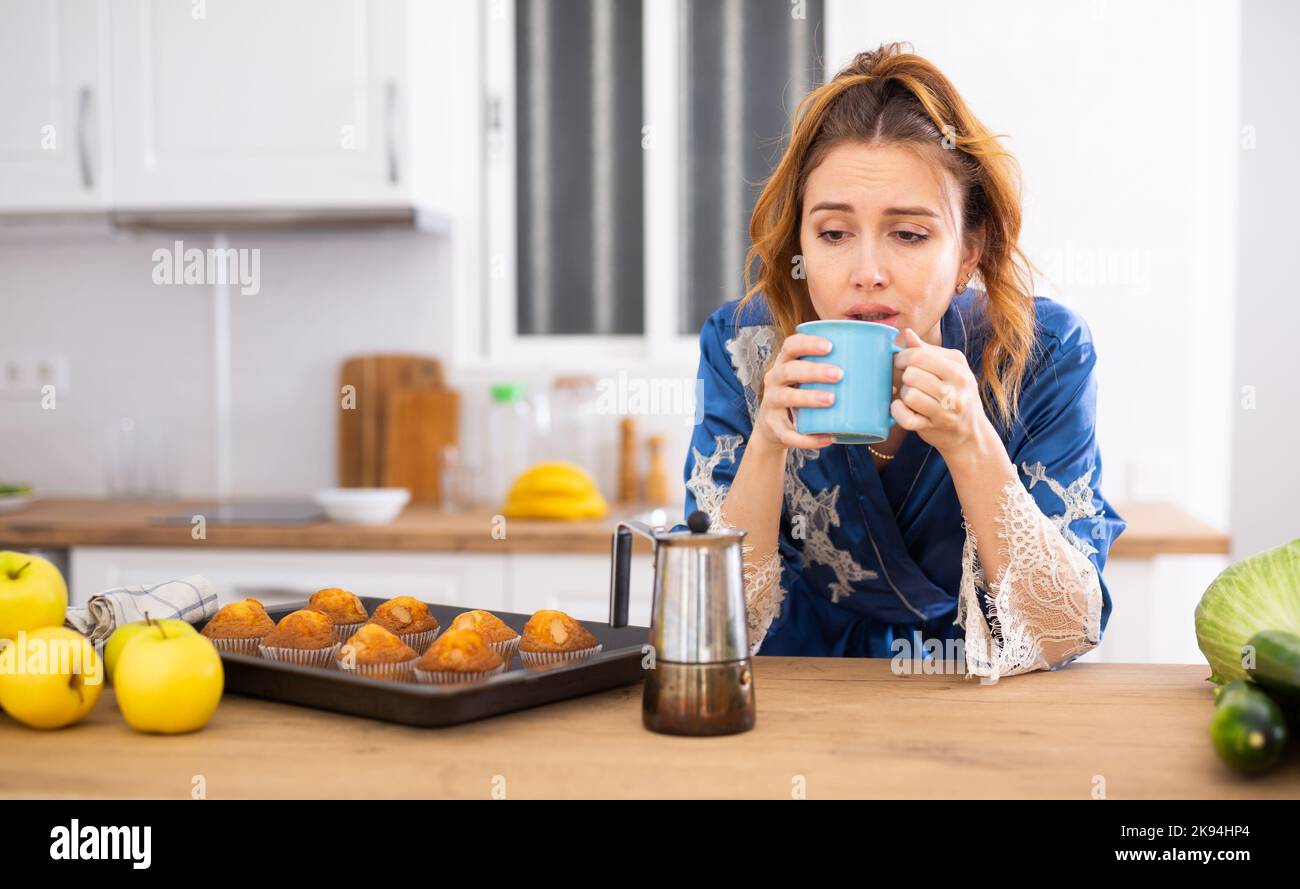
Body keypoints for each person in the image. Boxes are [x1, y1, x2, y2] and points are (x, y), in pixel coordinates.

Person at [678, 43, 1126, 681]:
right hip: (795, 688)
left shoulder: (1043, 351)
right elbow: (704, 630)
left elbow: (1061, 635)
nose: (867, 274)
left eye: (910, 235)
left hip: (970, 687)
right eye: (833, 234)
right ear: (799, 241)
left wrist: (972, 443)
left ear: (969, 251)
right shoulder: (742, 345)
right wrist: (767, 447)